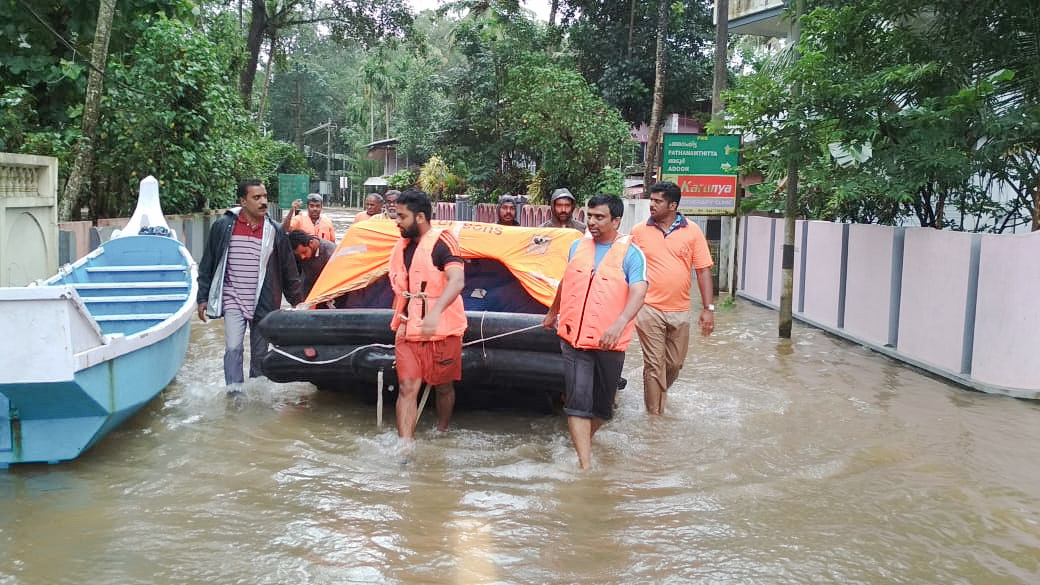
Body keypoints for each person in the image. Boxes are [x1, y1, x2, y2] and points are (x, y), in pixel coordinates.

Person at [542, 194, 647, 469]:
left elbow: (639, 292)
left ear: (616, 220)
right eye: (589, 216)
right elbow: (567, 281)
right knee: (577, 403)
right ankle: (585, 467)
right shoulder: (576, 246)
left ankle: (581, 441)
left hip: (608, 343)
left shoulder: (632, 254)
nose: (592, 222)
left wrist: (619, 322)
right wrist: (553, 312)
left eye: (599, 217)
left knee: (602, 410)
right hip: (573, 340)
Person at [197, 179, 304, 389]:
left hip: (264, 301)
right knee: (233, 348)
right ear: (243, 201)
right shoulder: (223, 227)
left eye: (264, 196)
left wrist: (298, 301)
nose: (263, 201)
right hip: (232, 299)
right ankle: (234, 392)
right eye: (257, 197)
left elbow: (288, 269)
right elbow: (208, 263)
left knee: (260, 353)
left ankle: (258, 395)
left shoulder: (274, 231)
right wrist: (202, 298)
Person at [388, 188, 467, 444]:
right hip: (408, 330)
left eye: (402, 216)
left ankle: (442, 431)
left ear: (420, 217)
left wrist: (435, 312)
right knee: (407, 387)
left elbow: (457, 281)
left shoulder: (443, 242)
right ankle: (405, 447)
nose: (397, 222)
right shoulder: (401, 247)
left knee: (443, 387)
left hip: (442, 331)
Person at [630, 181, 716, 415]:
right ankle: (654, 419)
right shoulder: (639, 231)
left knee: (675, 364)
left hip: (679, 309)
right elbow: (626, 267)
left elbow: (703, 270)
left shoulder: (692, 231)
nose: (652, 205)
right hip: (647, 307)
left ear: (673, 205)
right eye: (652, 200)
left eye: (658, 201)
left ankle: (655, 394)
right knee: (654, 365)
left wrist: (708, 308)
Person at [288, 230, 338, 297]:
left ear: (311, 243)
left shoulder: (332, 253)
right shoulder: (298, 254)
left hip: (327, 293)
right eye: (298, 255)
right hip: (306, 293)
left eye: (304, 252)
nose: (302, 257)